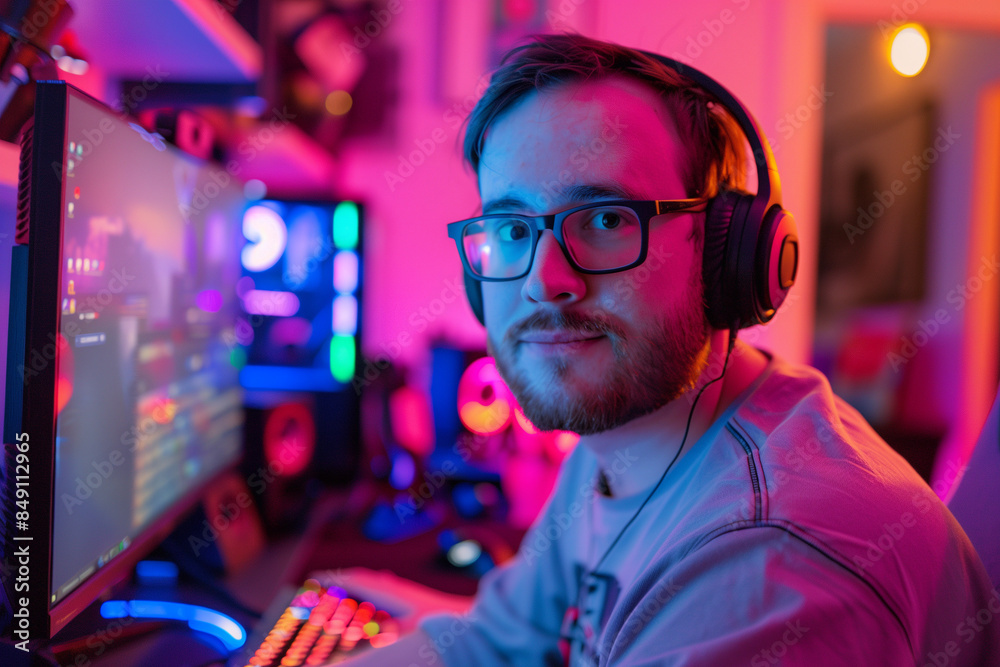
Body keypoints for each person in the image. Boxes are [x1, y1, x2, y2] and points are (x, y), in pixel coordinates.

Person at [341, 34, 1000, 666]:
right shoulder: (618, 445)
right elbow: (493, 644)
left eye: (606, 218)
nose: (545, 281)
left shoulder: (769, 561)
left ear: (728, 256)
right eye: (512, 228)